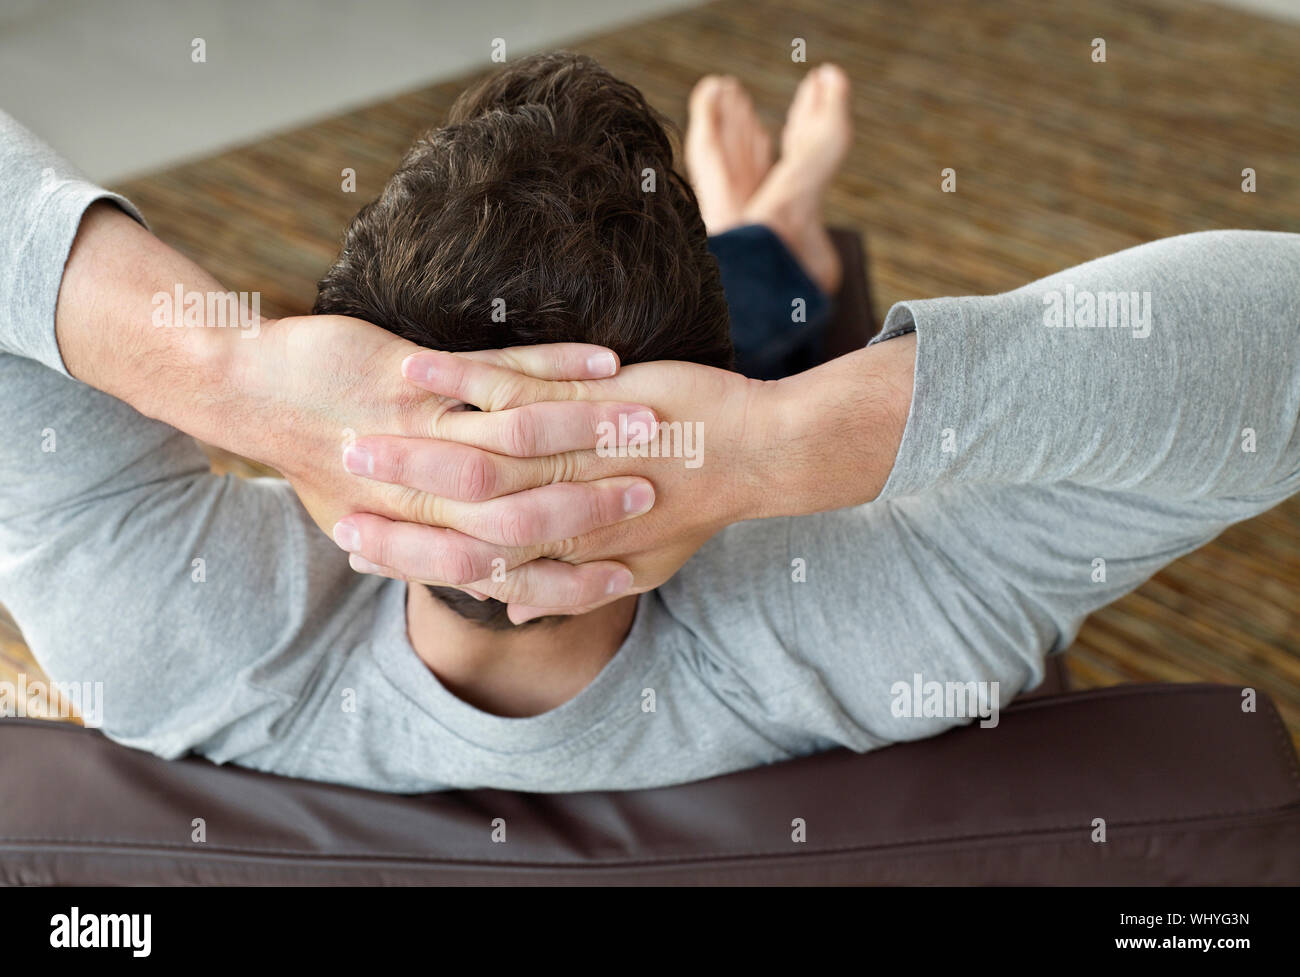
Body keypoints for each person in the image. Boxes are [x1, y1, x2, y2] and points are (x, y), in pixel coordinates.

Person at [1, 54, 1296, 793]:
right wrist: (778, 442)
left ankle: (765, 230)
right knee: (770, 303)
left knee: (745, 291)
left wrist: (223, 366)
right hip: (730, 416)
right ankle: (773, 229)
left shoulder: (177, 638)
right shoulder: (870, 627)